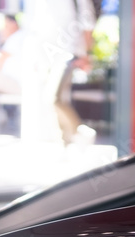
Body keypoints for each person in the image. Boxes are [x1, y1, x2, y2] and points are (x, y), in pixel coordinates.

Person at [42, 0, 98, 144]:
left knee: (54, 98)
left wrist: (86, 55)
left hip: (70, 55)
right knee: (55, 100)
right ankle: (65, 140)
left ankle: (78, 132)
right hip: (51, 55)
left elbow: (88, 26)